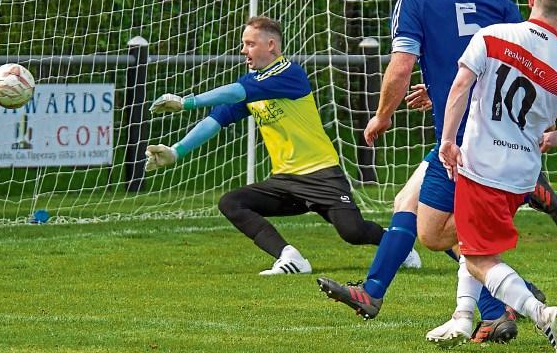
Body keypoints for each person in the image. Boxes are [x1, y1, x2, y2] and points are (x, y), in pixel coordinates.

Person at [317, 0, 543, 339]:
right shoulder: (498, 2)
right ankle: (374, 292)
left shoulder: (415, 0)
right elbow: (514, 68)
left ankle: (507, 298)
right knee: (408, 201)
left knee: (436, 231)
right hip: (499, 131)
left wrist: (383, 115)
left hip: (458, 139)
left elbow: (402, 64)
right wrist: (439, 90)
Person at [144, 16, 421, 275]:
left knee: (353, 232)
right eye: (243, 44)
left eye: (250, 44)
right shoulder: (251, 85)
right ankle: (290, 257)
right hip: (285, 181)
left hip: (322, 175)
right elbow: (215, 120)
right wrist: (176, 151)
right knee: (232, 202)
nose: (243, 50)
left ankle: (399, 247)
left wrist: (187, 102)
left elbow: (236, 91)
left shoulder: (288, 73)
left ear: (271, 46)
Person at [427, 0, 557, 353]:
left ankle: (540, 313)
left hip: (482, 164)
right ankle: (463, 316)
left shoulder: (493, 36)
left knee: (478, 257)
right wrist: (549, 138)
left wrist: (447, 140)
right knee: (472, 241)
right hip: (521, 176)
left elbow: (460, 86)